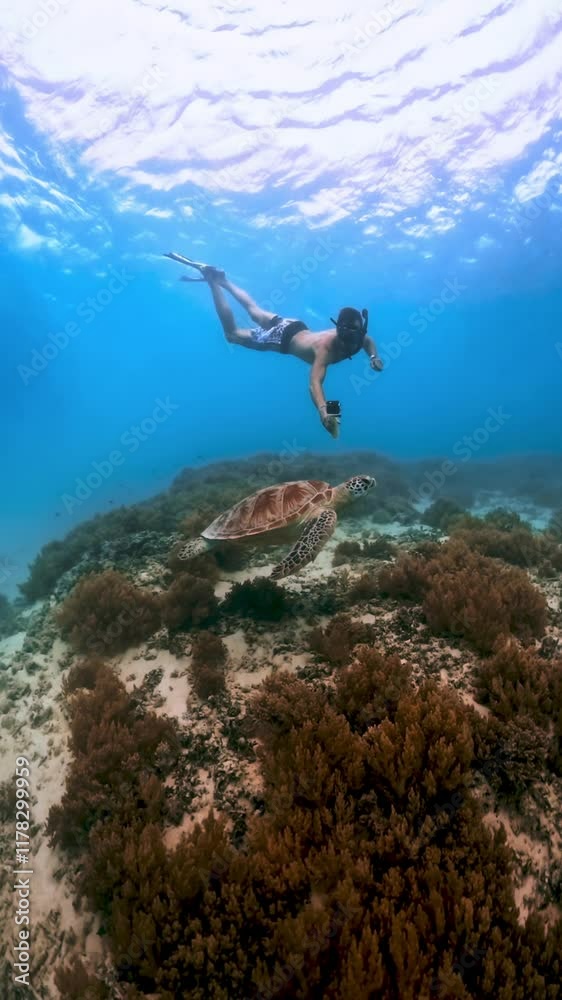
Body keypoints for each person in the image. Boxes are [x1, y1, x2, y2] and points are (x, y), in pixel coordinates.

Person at [164, 252, 384, 437]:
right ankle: (213, 282)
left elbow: (368, 342)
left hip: (296, 326)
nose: (351, 343)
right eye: (347, 340)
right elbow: (315, 383)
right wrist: (323, 412)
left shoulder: (361, 337)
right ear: (339, 333)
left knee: (255, 311)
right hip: (282, 338)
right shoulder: (326, 349)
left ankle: (223, 280)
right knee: (232, 334)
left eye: (355, 338)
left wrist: (374, 357)